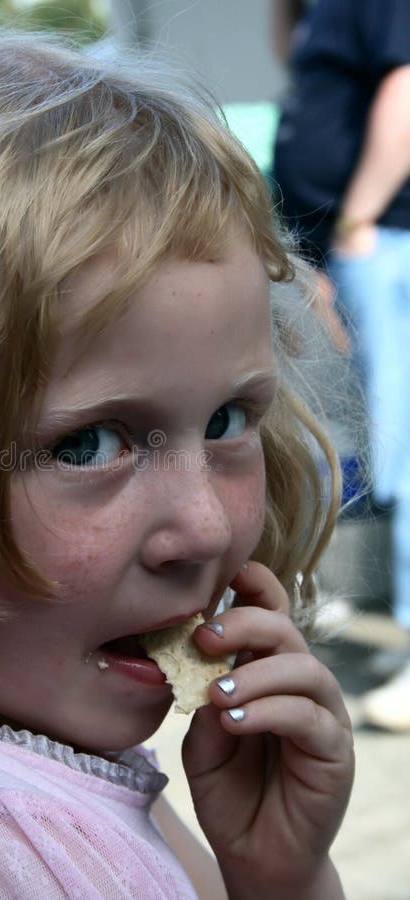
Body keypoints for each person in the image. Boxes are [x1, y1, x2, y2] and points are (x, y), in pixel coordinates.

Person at [0, 31, 354, 899]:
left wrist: (276, 873)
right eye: (87, 444)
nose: (204, 529)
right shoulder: (5, 853)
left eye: (226, 420)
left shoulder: (0, 748)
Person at [272, 0, 410, 732]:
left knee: (403, 455)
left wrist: (355, 225)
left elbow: (406, 89)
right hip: (359, 247)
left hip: (383, 238)